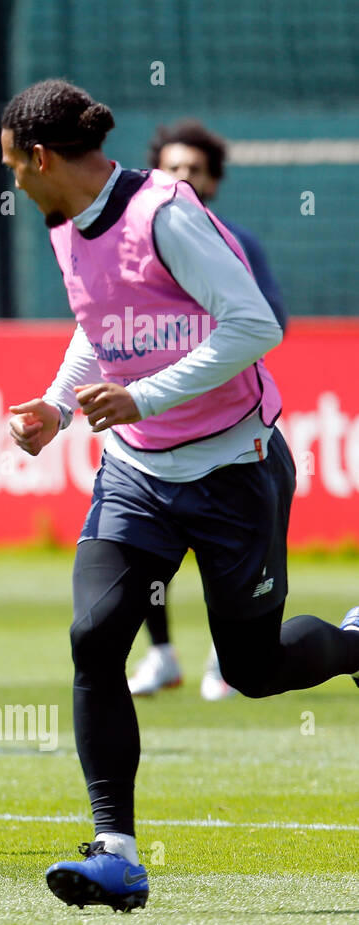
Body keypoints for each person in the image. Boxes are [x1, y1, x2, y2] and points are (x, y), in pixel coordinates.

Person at [1, 80, 359, 911]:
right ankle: (116, 852)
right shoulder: (63, 223)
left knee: (253, 669)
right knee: (95, 637)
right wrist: (58, 406)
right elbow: (98, 326)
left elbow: (255, 325)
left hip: (235, 466)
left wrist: (144, 395)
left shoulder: (163, 211)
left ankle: (354, 645)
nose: (10, 179)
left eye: (12, 164)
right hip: (136, 474)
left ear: (41, 157)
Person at [129, 118, 290, 702]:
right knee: (140, 550)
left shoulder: (235, 242)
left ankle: (226, 657)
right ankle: (162, 655)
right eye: (173, 167)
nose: (183, 177)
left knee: (224, 554)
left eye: (195, 169)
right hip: (151, 424)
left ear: (214, 181)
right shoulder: (134, 240)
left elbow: (268, 321)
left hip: (225, 425)